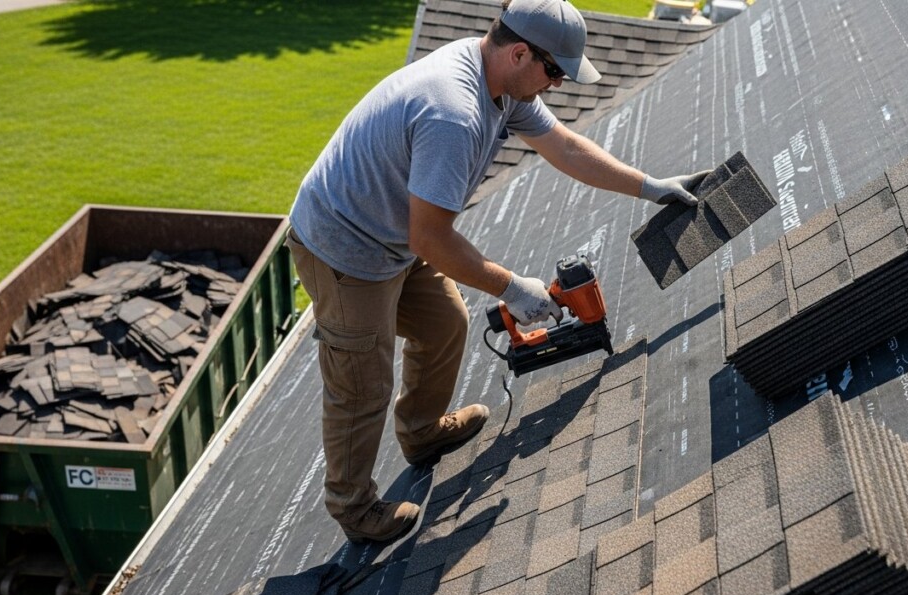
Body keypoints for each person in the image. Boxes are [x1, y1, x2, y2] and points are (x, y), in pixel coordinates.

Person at [286, 0, 708, 543]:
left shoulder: (502, 85)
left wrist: (648, 186)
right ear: (519, 52)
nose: (557, 85)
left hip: (394, 235)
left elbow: (565, 148)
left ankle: (420, 434)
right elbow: (430, 238)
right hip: (343, 249)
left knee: (445, 325)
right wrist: (513, 287)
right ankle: (354, 509)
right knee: (362, 381)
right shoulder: (454, 114)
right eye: (554, 71)